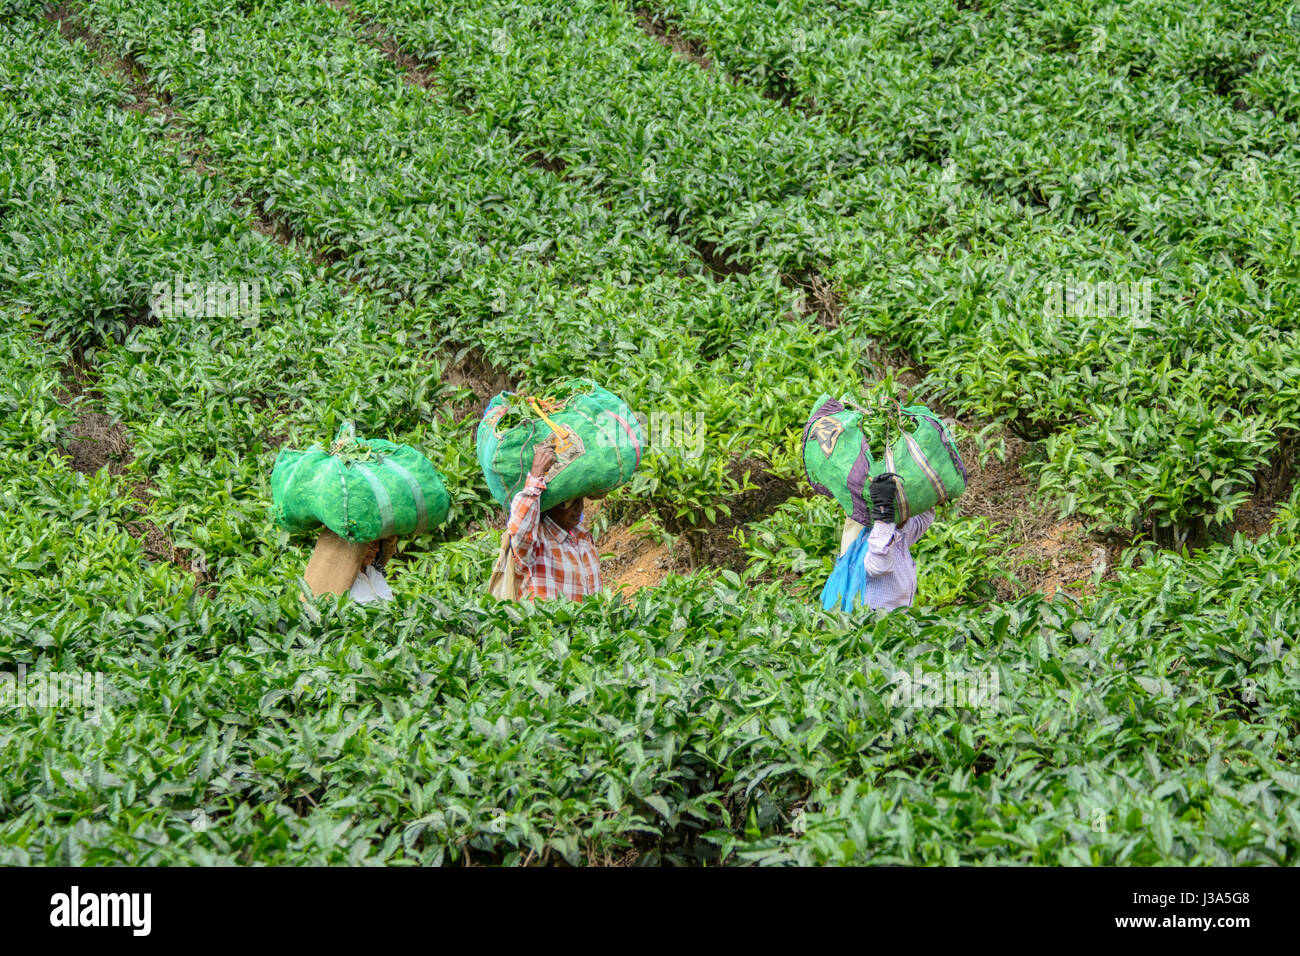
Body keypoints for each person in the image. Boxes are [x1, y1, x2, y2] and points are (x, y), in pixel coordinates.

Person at [503, 439, 602, 600]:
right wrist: (536, 475)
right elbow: (519, 530)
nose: (578, 508)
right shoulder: (537, 542)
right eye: (567, 502)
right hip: (548, 626)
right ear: (552, 504)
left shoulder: (584, 538)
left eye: (580, 500)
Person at [821, 473, 934, 612]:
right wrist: (884, 513)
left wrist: (928, 489)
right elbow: (879, 566)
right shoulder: (868, 539)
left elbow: (921, 521)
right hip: (872, 622)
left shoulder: (897, 533)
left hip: (897, 620)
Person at [350, 537, 395, 604]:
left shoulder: (376, 571)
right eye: (371, 547)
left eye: (377, 548)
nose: (376, 549)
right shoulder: (347, 575)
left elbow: (389, 597)